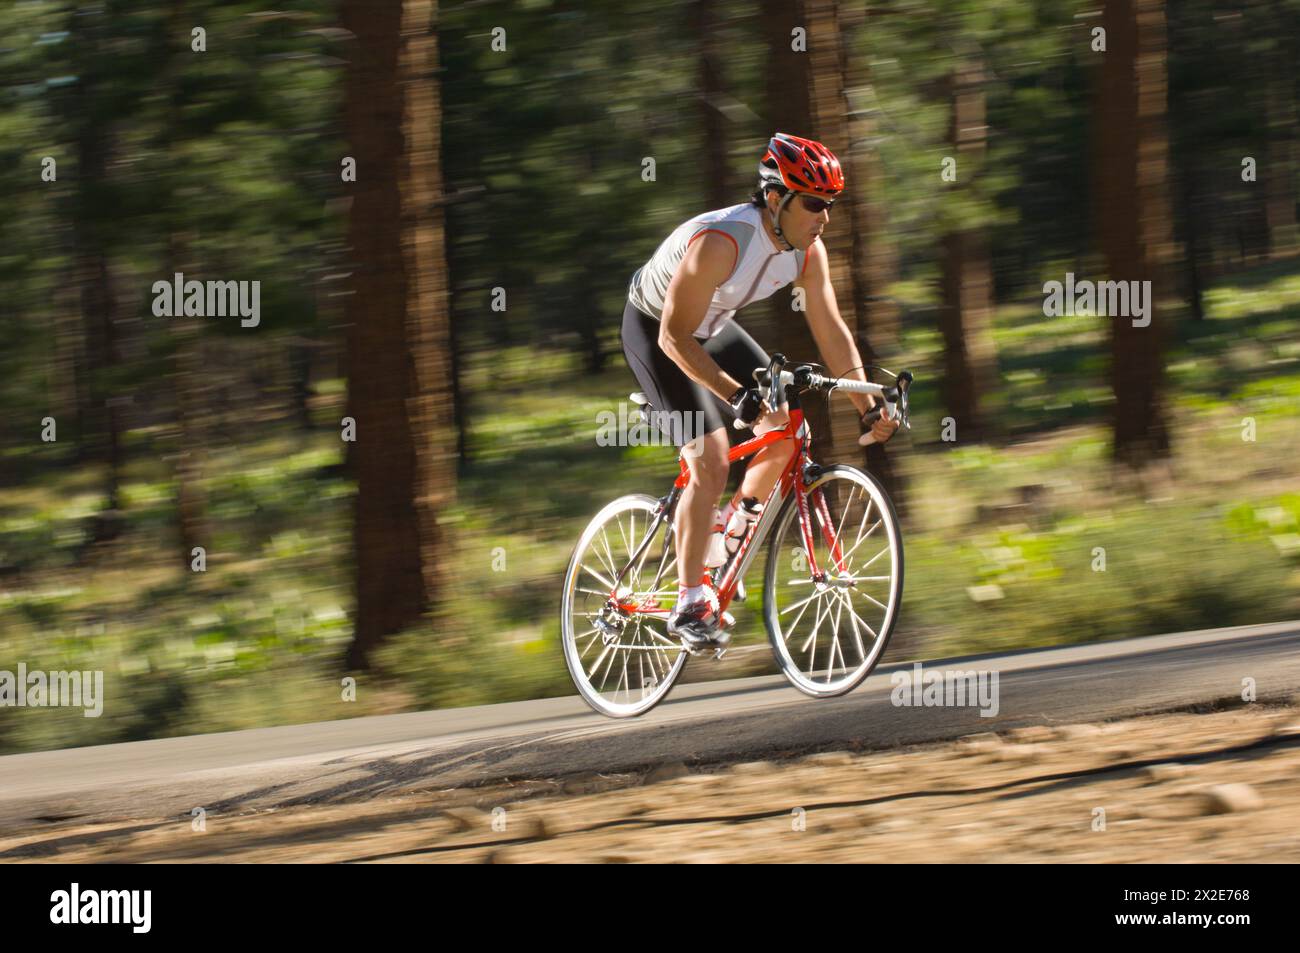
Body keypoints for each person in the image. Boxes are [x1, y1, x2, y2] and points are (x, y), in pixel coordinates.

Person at [620, 132, 899, 649]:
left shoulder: (807, 253)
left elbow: (831, 329)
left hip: (713, 324)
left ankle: (728, 535)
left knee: (789, 431)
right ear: (776, 198)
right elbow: (673, 338)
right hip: (657, 328)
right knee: (711, 457)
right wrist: (734, 395)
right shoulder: (722, 242)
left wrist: (867, 402)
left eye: (830, 205)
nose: (824, 217)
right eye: (814, 203)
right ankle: (689, 603)